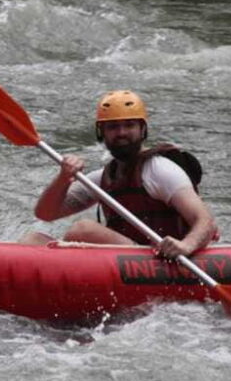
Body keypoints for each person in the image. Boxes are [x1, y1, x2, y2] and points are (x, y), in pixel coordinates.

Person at [20, 90, 218, 260]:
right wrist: (63, 178)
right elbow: (46, 213)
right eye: (113, 126)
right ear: (102, 133)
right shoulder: (103, 178)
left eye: (129, 125)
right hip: (124, 260)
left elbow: (205, 220)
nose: (121, 132)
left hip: (160, 259)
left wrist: (186, 245)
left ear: (142, 129)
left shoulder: (160, 170)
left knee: (83, 230)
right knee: (32, 240)